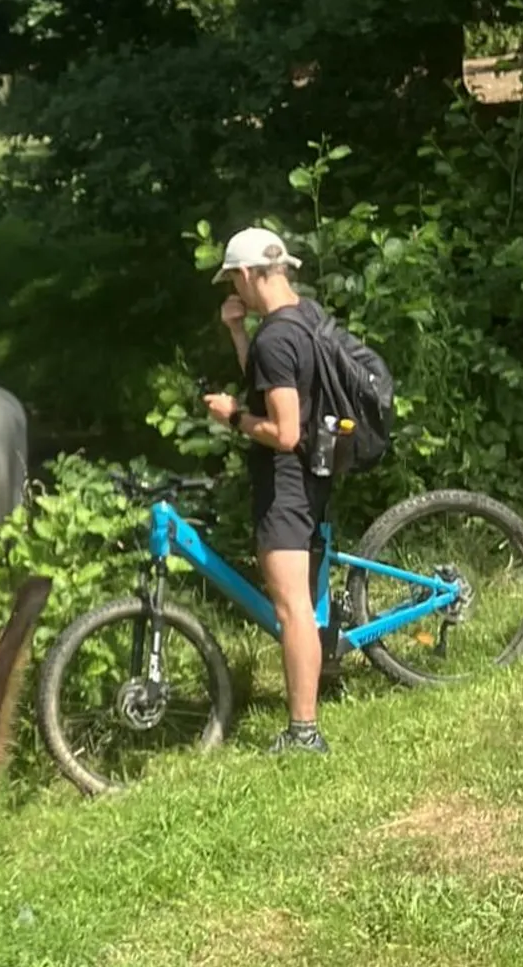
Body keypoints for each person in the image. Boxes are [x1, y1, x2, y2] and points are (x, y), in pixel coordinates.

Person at [203, 227, 332, 756]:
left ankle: (304, 732)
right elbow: (272, 387)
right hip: (314, 473)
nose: (232, 287)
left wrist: (233, 418)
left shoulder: (277, 338)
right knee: (302, 602)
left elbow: (284, 433)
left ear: (247, 274)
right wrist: (239, 336)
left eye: (233, 277)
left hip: (287, 483)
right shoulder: (305, 315)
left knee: (292, 608)